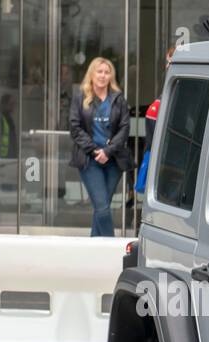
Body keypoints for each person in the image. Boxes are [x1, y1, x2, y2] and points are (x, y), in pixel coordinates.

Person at [68, 57, 132, 237]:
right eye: (99, 71)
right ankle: (111, 246)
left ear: (111, 75)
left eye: (107, 72)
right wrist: (94, 150)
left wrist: (108, 151)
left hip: (113, 161)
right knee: (103, 208)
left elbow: (124, 128)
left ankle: (93, 247)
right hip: (90, 160)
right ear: (92, 74)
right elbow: (75, 127)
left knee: (101, 207)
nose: (103, 76)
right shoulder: (81, 97)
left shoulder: (118, 99)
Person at [136, 46, 175, 199]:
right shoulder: (161, 101)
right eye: (168, 63)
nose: (168, 67)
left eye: (172, 62)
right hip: (163, 167)